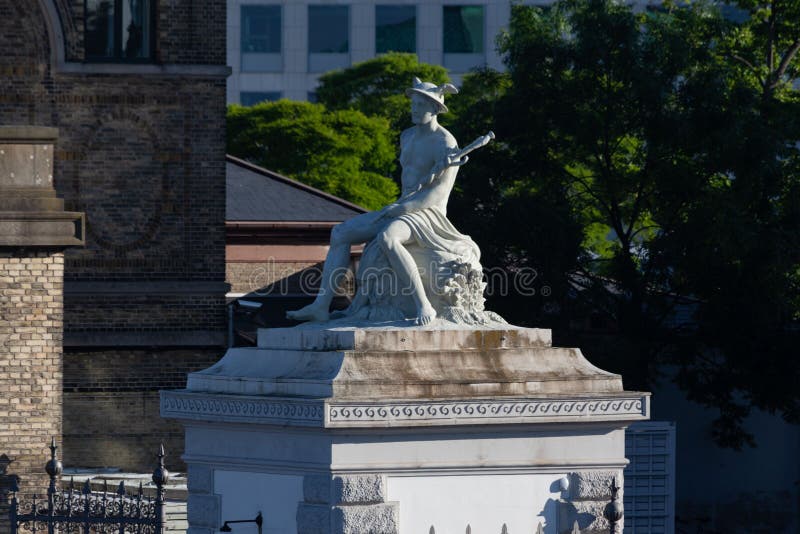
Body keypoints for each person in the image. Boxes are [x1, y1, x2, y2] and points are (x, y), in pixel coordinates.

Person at [287, 78, 479, 325]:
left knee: (389, 237)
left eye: (420, 104)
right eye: (413, 103)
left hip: (427, 214)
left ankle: (424, 306)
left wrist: (404, 207)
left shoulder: (446, 143)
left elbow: (437, 194)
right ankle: (320, 306)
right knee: (340, 233)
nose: (414, 108)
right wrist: (399, 206)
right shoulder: (407, 136)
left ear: (435, 109)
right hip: (402, 206)